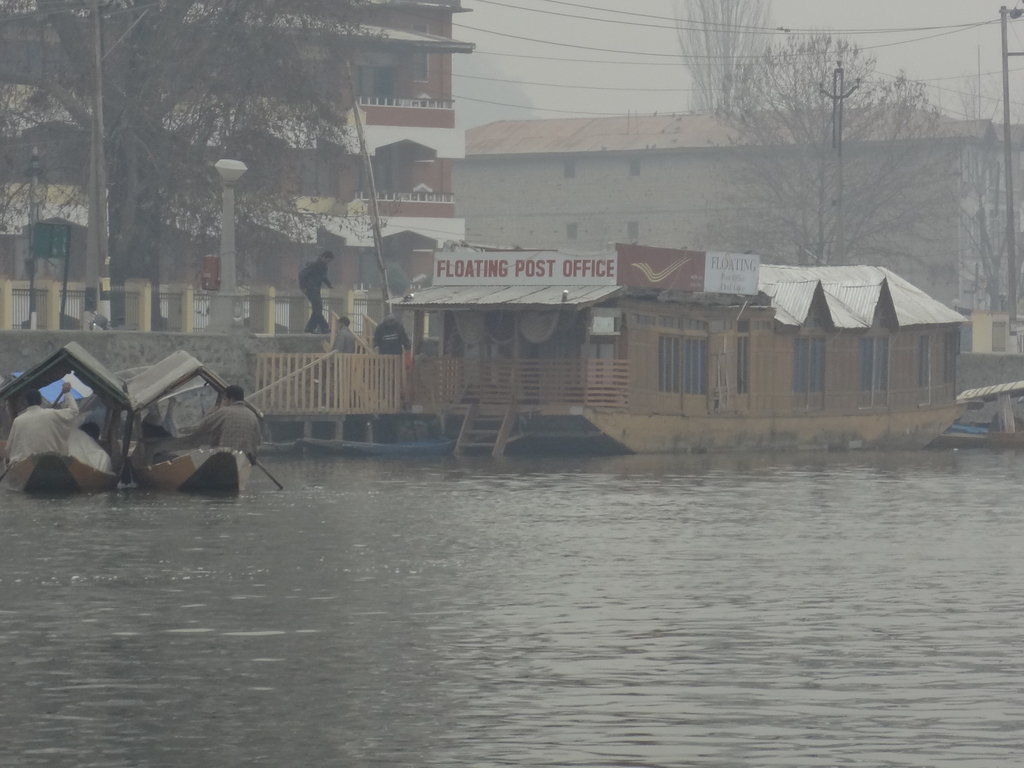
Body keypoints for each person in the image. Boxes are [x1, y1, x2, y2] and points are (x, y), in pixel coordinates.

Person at [175, 384, 263, 457]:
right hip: (245, 457)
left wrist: (180, 430)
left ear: (231, 399)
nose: (223, 402)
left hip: (225, 457)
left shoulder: (224, 412)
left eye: (224, 399)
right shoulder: (252, 416)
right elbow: (258, 441)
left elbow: (201, 427)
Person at [5, 382, 81, 464]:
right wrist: (67, 393)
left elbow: (9, 449)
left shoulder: (18, 421)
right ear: (40, 400)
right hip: (50, 464)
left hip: (24, 468)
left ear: (26, 402)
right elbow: (74, 411)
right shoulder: (52, 414)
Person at [299, 250, 334, 334]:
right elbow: (301, 274)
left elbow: (323, 277)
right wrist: (303, 287)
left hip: (317, 289)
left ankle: (309, 328)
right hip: (310, 289)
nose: (328, 262)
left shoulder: (324, 266)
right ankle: (324, 327)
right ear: (323, 257)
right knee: (318, 309)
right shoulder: (314, 264)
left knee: (317, 310)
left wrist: (329, 284)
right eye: (328, 260)